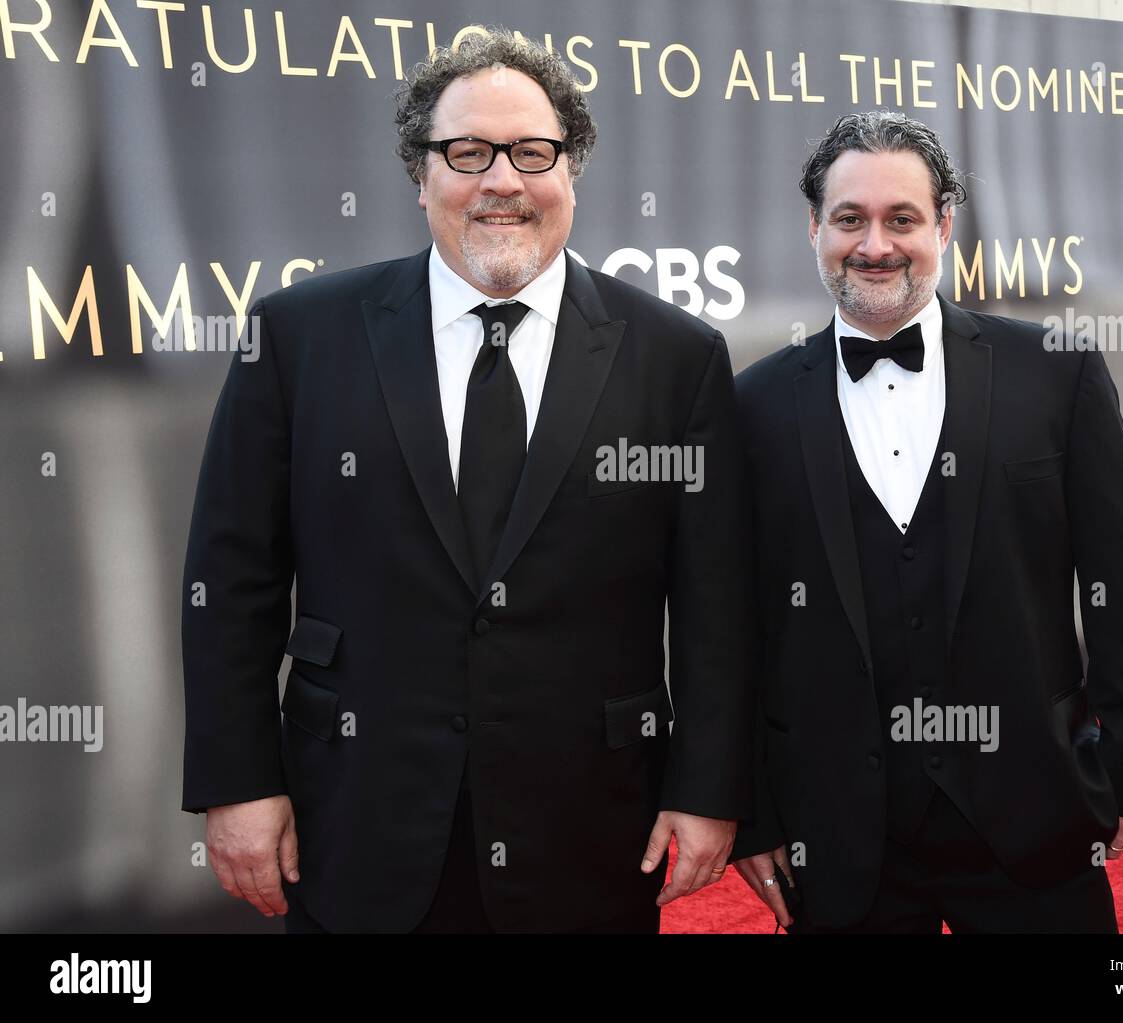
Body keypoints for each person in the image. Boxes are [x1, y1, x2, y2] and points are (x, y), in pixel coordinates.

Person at [181, 28, 752, 934]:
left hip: (591, 830)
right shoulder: (300, 336)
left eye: (534, 152)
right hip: (355, 820)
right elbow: (231, 577)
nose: (502, 181)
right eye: (467, 152)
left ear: (572, 172)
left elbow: (719, 602)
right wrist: (238, 780)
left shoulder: (678, 357)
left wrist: (710, 789)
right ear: (420, 174)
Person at [729, 110, 1123, 933]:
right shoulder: (750, 406)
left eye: (902, 218)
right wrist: (750, 814)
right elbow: (734, 627)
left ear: (943, 223)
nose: (875, 244)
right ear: (813, 228)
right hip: (837, 832)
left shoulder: (1054, 371)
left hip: (1034, 816)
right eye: (849, 219)